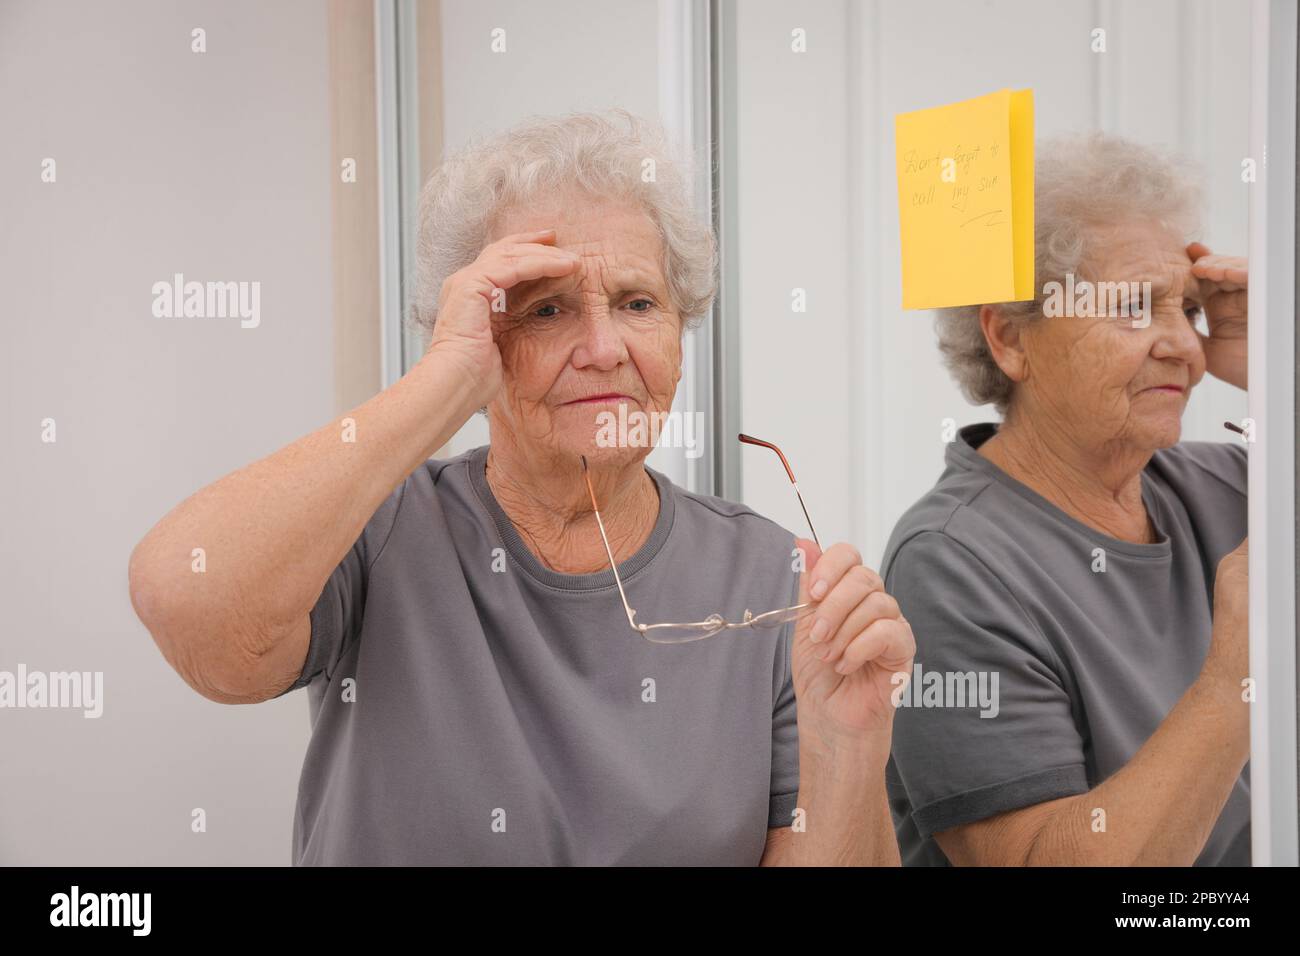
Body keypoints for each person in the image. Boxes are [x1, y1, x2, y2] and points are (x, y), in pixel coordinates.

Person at [128, 110, 914, 865]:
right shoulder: (382, 533)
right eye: (546, 311)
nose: (604, 348)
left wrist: (846, 748)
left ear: (680, 332)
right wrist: (444, 381)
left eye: (638, 303)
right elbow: (185, 600)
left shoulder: (773, 580)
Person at [882, 132, 1250, 865]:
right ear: (1012, 337)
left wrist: (1281, 356)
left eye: (1188, 310)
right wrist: (1238, 674)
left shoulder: (1227, 489)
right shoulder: (949, 565)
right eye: (1135, 308)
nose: (1185, 345)